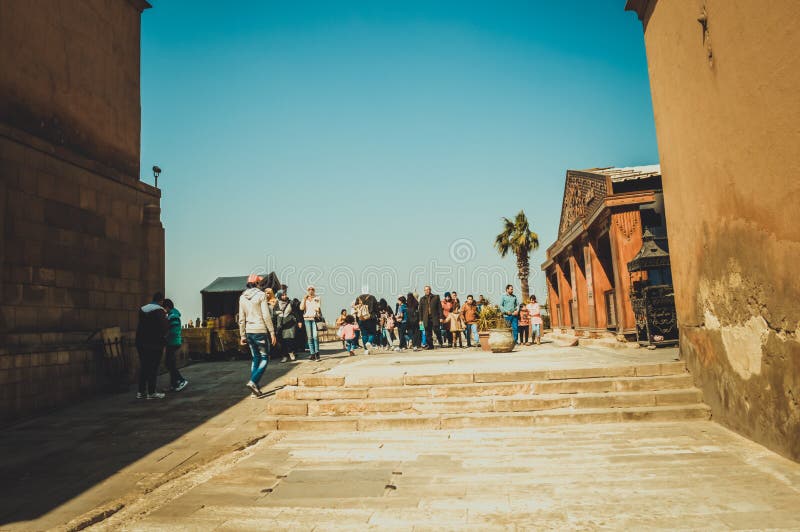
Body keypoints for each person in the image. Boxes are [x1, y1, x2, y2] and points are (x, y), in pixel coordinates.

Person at [238, 275, 277, 396]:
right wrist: (272, 332)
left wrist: (242, 335)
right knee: (265, 358)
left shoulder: (242, 297)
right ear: (257, 284)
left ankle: (255, 388)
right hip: (260, 330)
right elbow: (266, 315)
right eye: (260, 283)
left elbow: (241, 318)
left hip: (249, 331)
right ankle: (253, 381)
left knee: (255, 358)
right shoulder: (260, 295)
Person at [135, 292, 170, 400]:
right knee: (153, 368)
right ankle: (151, 392)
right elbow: (164, 328)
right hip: (154, 344)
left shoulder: (143, 309)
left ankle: (141, 392)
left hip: (141, 343)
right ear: (161, 301)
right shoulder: (159, 311)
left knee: (144, 367)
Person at [163, 299, 188, 392]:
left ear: (167, 307)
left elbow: (173, 331)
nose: (164, 311)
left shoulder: (173, 316)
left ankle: (181, 380)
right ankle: (174, 384)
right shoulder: (172, 315)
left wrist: (165, 336)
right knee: (170, 363)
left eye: (164, 308)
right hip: (173, 342)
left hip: (173, 342)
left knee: (169, 363)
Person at [274, 290, 298, 362]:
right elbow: (273, 313)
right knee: (282, 340)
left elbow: (295, 312)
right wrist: (278, 312)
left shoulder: (290, 302)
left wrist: (298, 321)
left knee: (289, 339)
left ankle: (291, 353)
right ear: (279, 296)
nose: (285, 296)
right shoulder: (277, 303)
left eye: (285, 294)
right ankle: (284, 356)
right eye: (283, 295)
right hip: (280, 323)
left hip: (289, 322)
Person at [300, 285, 322, 361]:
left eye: (312, 289)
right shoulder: (305, 299)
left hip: (314, 318)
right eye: (309, 289)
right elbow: (301, 308)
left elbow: (318, 307)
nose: (310, 290)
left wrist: (314, 301)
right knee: (309, 337)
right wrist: (304, 299)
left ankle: (317, 353)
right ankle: (312, 354)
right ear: (307, 290)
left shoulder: (317, 298)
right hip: (306, 318)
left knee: (315, 337)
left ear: (314, 290)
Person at [419, 285, 443, 349]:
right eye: (425, 290)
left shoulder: (436, 297)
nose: (427, 291)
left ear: (430, 290)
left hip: (434, 317)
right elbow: (420, 310)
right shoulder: (422, 299)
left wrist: (441, 317)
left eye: (428, 289)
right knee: (427, 333)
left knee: (437, 330)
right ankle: (430, 345)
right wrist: (420, 320)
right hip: (426, 318)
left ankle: (440, 342)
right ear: (424, 291)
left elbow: (440, 308)